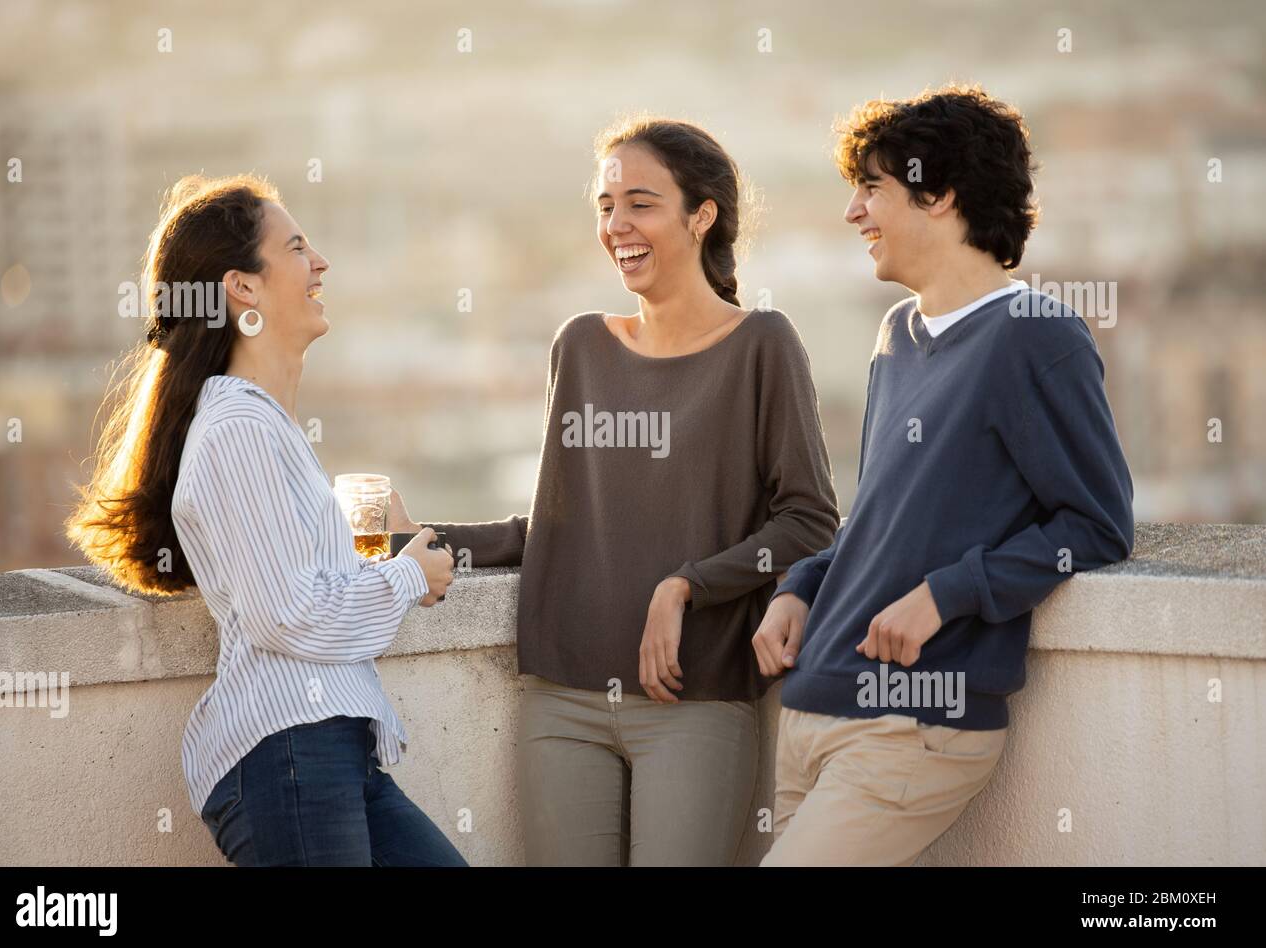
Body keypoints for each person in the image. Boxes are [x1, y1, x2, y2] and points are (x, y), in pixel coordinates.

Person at [392, 117, 839, 865]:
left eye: (641, 203)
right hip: (560, 699)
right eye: (605, 206)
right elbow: (560, 525)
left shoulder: (764, 345)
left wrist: (686, 586)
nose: (616, 226)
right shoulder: (580, 347)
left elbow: (809, 520)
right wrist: (427, 540)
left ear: (702, 216)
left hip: (695, 704)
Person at [753, 85, 1135, 866]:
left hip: (912, 724)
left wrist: (948, 594)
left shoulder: (1037, 336)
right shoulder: (897, 333)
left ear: (941, 193)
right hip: (813, 705)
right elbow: (884, 520)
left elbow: (1096, 526)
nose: (853, 214)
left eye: (871, 188)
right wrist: (803, 586)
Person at [65, 174, 464, 866]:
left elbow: (287, 582)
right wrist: (404, 577)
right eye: (299, 247)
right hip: (291, 752)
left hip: (328, 749)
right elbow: (288, 613)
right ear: (242, 288)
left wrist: (370, 550)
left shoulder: (256, 426)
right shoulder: (239, 428)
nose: (321, 265)